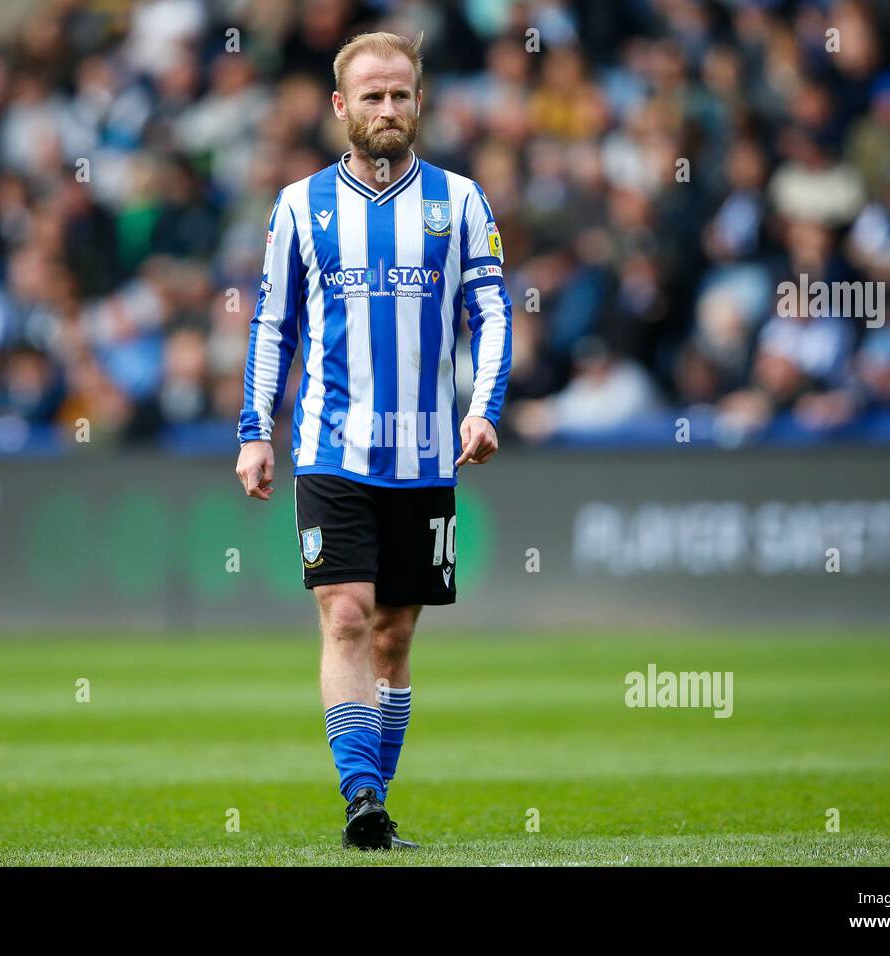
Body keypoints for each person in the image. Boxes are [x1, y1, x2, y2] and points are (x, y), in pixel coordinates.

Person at [233, 32, 512, 850]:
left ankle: (376, 804)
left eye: (400, 94)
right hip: (331, 450)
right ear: (340, 107)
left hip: (427, 455)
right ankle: (362, 800)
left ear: (419, 102)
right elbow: (272, 326)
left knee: (394, 634)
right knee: (348, 616)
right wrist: (256, 431)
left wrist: (483, 407)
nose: (386, 108)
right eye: (371, 96)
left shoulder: (460, 202)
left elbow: (492, 313)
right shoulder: (299, 205)